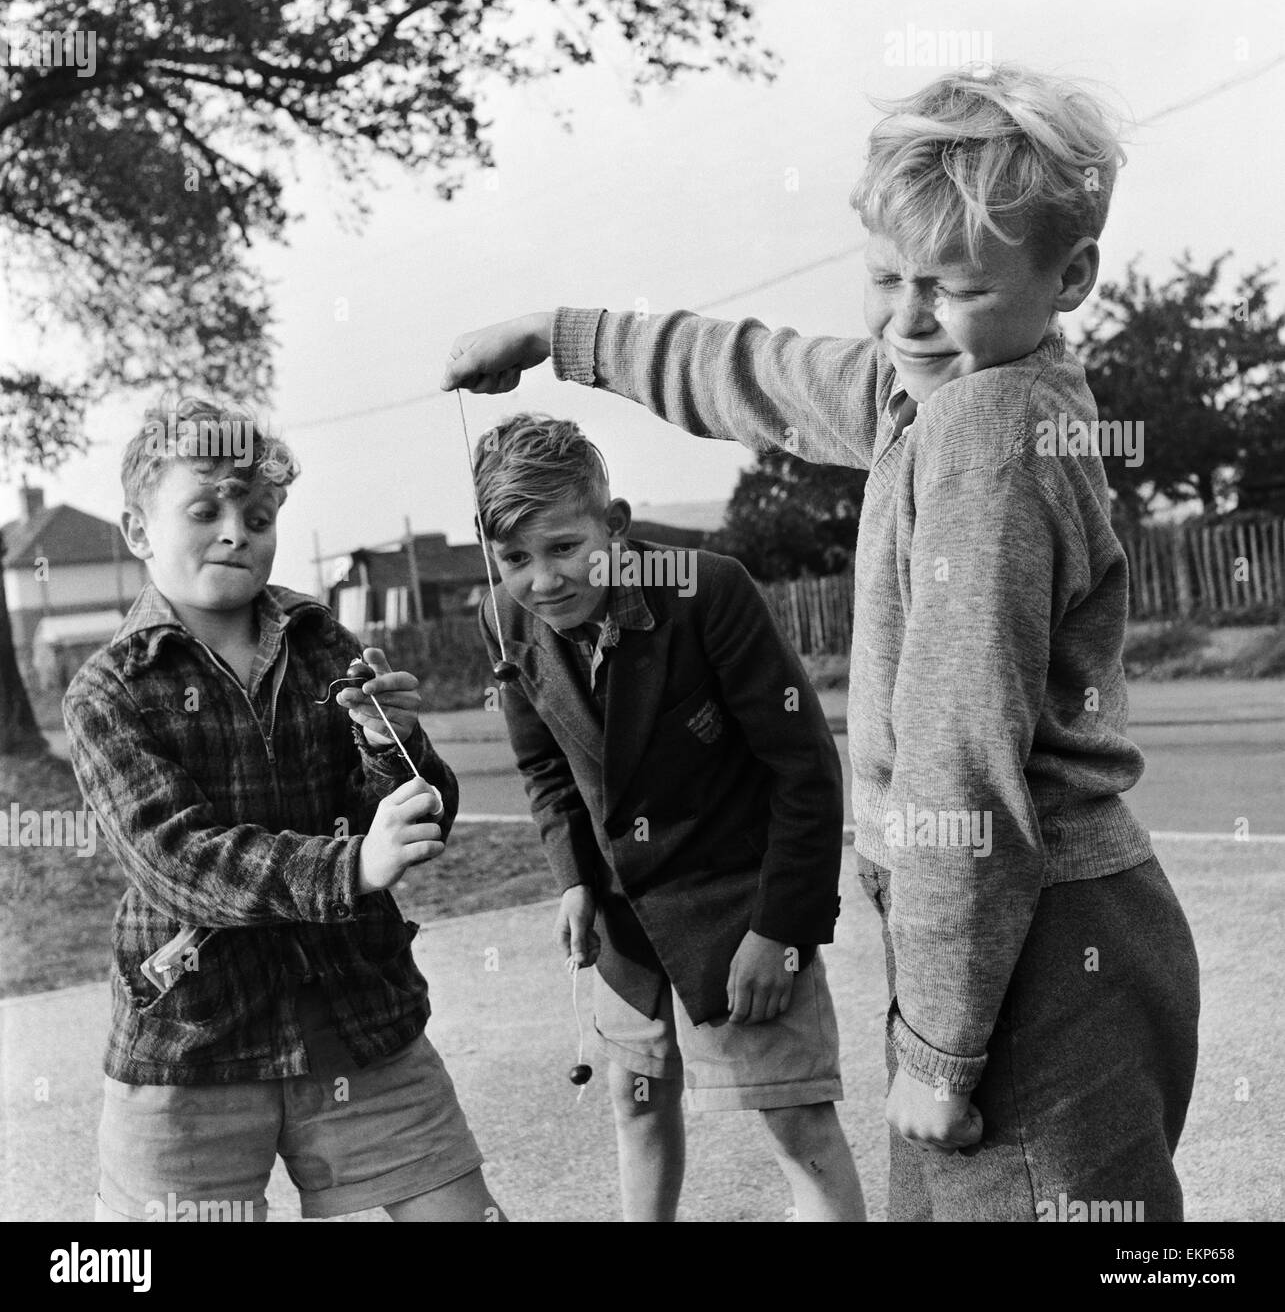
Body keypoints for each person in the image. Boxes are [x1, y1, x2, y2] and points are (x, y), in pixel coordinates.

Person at [443, 63, 1201, 1222]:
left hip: (1041, 945)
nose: (904, 317)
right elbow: (755, 372)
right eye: (885, 276)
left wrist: (941, 1051)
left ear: (1071, 276)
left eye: (947, 286)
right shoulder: (936, 387)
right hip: (1004, 933)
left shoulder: (990, 434)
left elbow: (961, 768)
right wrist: (560, 336)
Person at [64, 395, 505, 1222]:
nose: (237, 530)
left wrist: (388, 748)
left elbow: (423, 812)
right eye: (206, 509)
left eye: (258, 514)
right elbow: (179, 863)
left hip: (355, 1011)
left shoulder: (325, 642)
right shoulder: (106, 690)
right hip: (193, 1040)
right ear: (137, 532)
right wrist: (352, 865)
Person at [471, 412, 864, 1221]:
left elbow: (804, 769)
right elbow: (544, 766)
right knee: (637, 1102)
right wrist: (573, 878)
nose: (541, 581)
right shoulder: (503, 617)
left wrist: (778, 931)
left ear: (613, 526)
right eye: (513, 559)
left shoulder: (709, 589)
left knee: (794, 1123)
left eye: (563, 548)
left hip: (738, 918)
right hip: (623, 930)